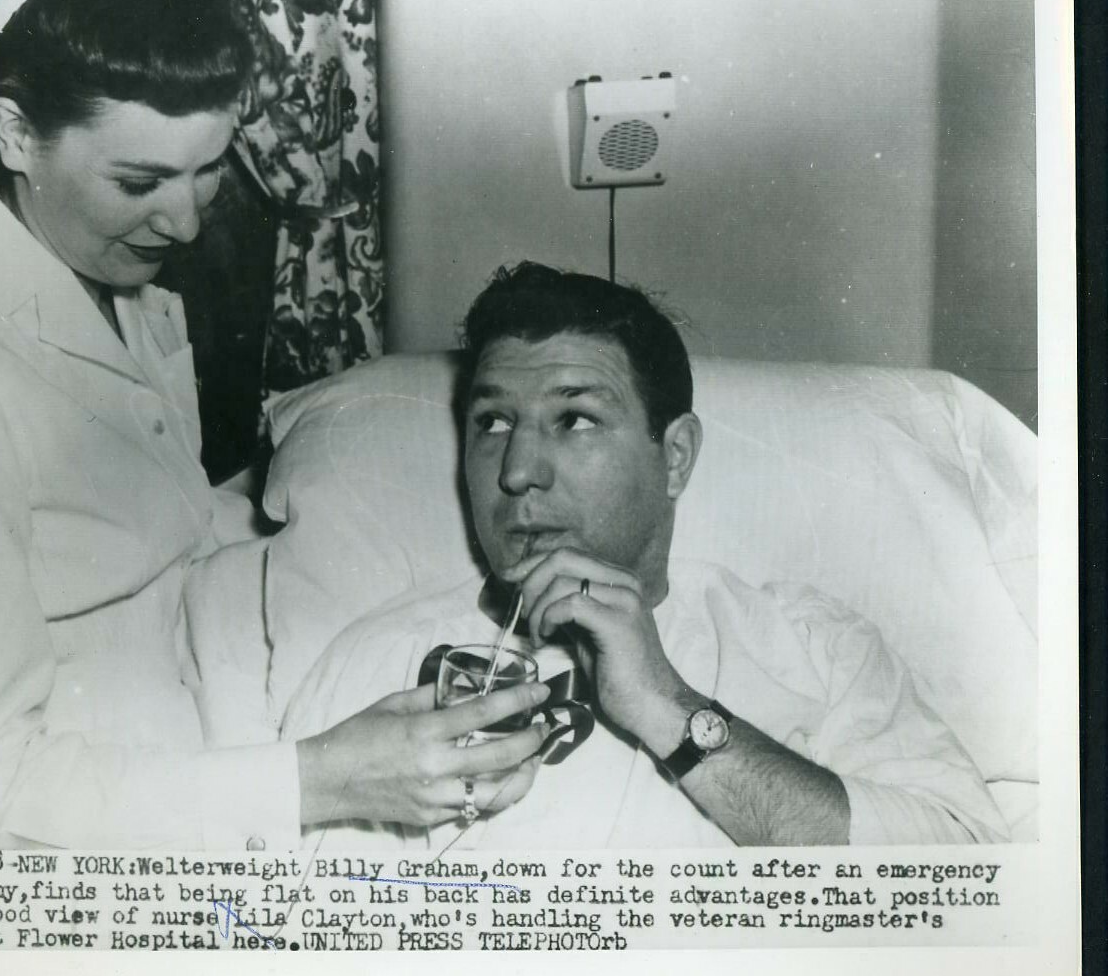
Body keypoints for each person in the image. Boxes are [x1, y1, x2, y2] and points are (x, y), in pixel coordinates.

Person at [0, 0, 547, 850]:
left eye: (208, 169)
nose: (187, 222)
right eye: (139, 183)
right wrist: (322, 778)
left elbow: (143, 532)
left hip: (227, 764)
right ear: (13, 133)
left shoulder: (106, 278)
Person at [282, 263, 1008, 848]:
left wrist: (672, 709)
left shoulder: (809, 646)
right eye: (493, 421)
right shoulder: (372, 663)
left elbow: (975, 872)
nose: (516, 470)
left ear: (676, 457)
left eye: (575, 419)